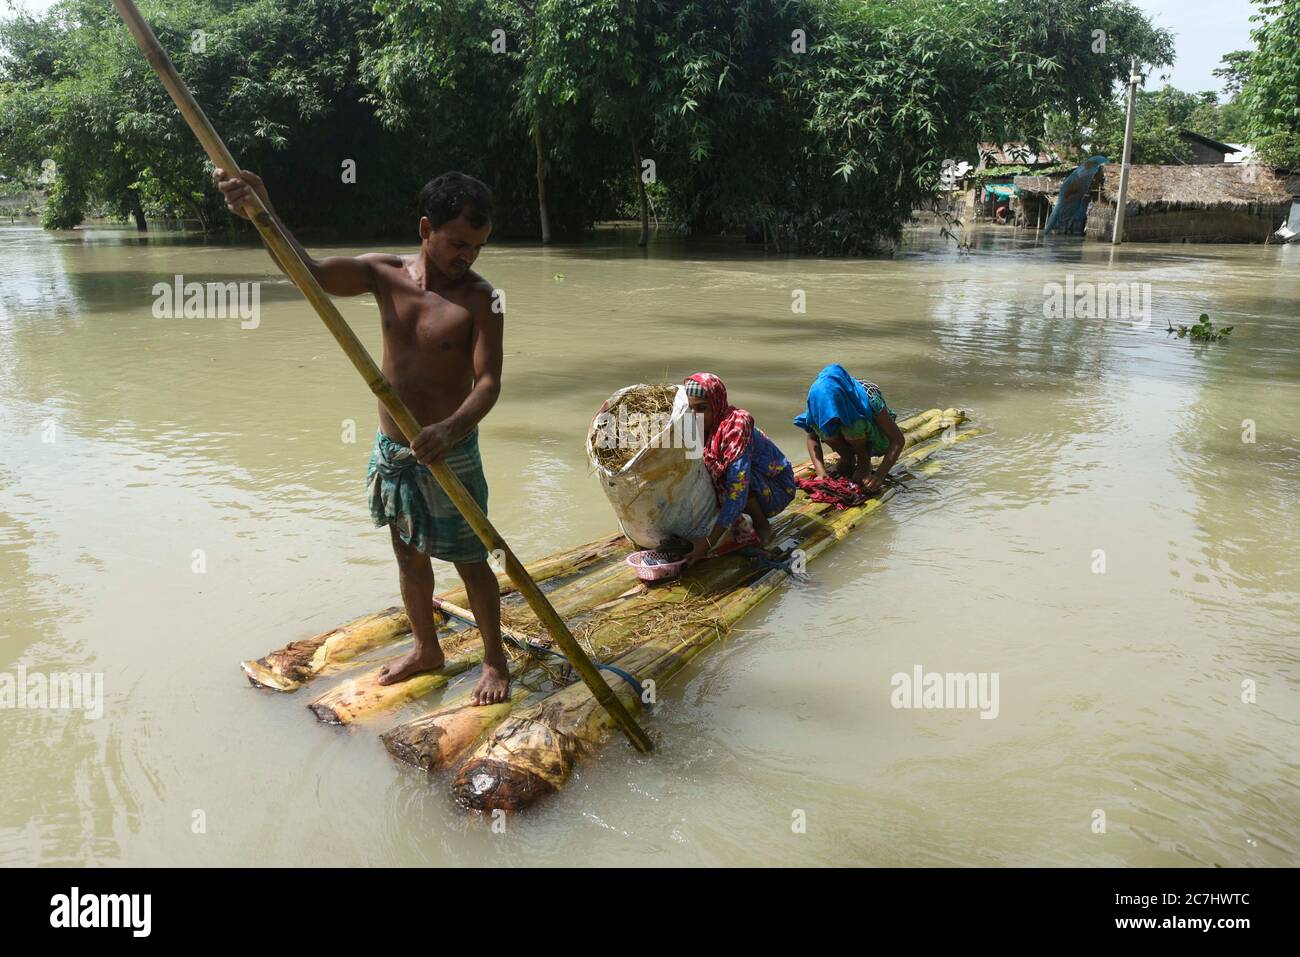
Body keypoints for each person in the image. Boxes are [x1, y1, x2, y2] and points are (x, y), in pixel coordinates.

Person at [215, 167, 510, 705]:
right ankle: (427, 648)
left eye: (477, 247)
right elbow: (308, 273)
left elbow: (488, 383)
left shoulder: (482, 300)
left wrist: (449, 428)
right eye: (457, 243)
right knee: (406, 554)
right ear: (426, 228)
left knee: (471, 560)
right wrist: (262, 212)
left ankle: (494, 659)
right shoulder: (383, 272)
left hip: (450, 452)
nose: (467, 256)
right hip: (393, 450)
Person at [683, 373, 796, 560]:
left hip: (774, 487)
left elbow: (737, 488)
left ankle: (762, 525)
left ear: (716, 404)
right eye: (690, 409)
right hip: (741, 487)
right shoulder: (692, 424)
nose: (694, 416)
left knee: (732, 476)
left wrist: (709, 542)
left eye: (702, 409)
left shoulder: (736, 426)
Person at [794, 364, 905, 494]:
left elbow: (898, 440)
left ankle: (864, 460)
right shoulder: (818, 400)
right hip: (849, 440)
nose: (834, 422)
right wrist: (821, 472)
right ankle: (848, 458)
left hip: (874, 438)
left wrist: (879, 475)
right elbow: (812, 436)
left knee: (854, 425)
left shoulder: (868, 397)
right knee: (822, 427)